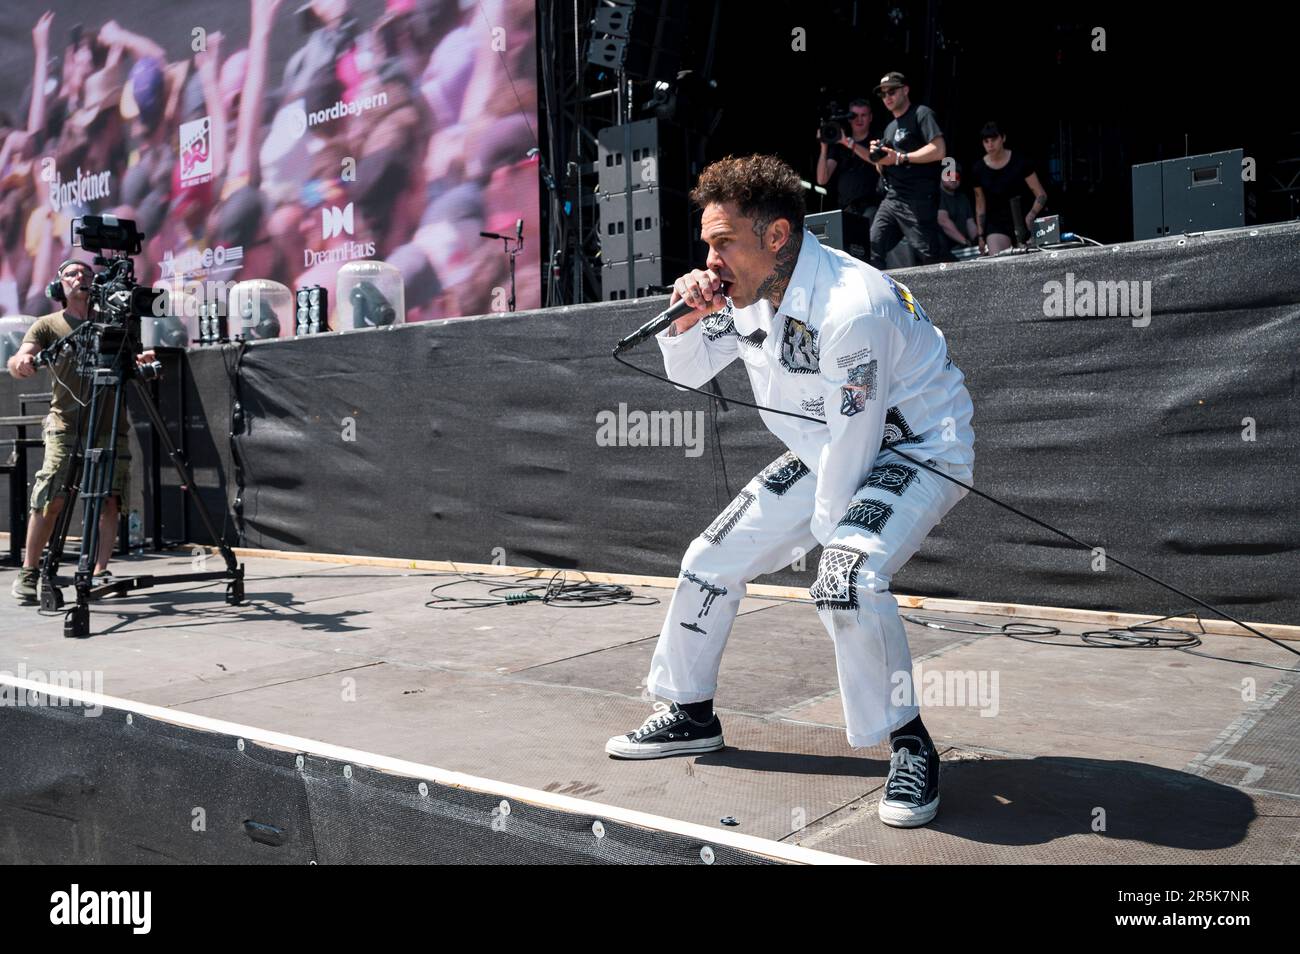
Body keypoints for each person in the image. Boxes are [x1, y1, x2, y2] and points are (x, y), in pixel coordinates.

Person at [605, 155, 976, 829]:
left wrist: (834, 547)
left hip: (914, 449)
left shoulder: (850, 308)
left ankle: (910, 742)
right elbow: (692, 374)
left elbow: (856, 445)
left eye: (724, 243)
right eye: (707, 244)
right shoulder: (748, 292)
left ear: (776, 237)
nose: (711, 260)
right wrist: (685, 319)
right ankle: (689, 711)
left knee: (845, 581)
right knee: (708, 558)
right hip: (826, 444)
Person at [6, 260, 155, 602]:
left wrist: (143, 361)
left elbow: (132, 362)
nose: (80, 278)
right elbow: (18, 360)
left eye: (86, 274)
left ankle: (101, 571)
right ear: (59, 286)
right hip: (66, 425)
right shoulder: (48, 325)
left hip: (109, 423)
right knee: (52, 497)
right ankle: (30, 572)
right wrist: (21, 364)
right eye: (71, 274)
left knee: (109, 500)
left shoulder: (112, 324)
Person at [865, 72, 946, 268]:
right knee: (872, 247)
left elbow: (939, 150)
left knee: (929, 256)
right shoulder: (889, 128)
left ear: (905, 90)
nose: (887, 98)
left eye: (891, 91)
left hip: (918, 198)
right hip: (892, 199)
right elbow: (883, 169)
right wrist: (878, 157)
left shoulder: (922, 114)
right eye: (883, 95)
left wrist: (901, 157)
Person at [972, 122, 1048, 255]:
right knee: (998, 263)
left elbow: (1041, 194)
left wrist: (1032, 214)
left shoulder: (1020, 161)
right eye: (986, 141)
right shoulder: (978, 169)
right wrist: (980, 236)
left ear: (1003, 138)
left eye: (994, 139)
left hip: (1024, 219)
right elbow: (980, 205)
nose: (990, 144)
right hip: (997, 224)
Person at [815, 98, 880, 220]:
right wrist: (824, 147)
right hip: (846, 209)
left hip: (872, 207)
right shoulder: (840, 145)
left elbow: (876, 159)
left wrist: (849, 143)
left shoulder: (876, 139)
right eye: (854, 115)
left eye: (863, 115)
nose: (859, 119)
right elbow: (822, 179)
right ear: (849, 118)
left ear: (870, 117)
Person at [937, 160, 977, 259]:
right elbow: (943, 221)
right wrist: (965, 241)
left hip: (961, 248)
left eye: (957, 176)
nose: (953, 178)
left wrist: (978, 240)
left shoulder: (962, 198)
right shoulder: (937, 195)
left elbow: (970, 223)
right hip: (943, 250)